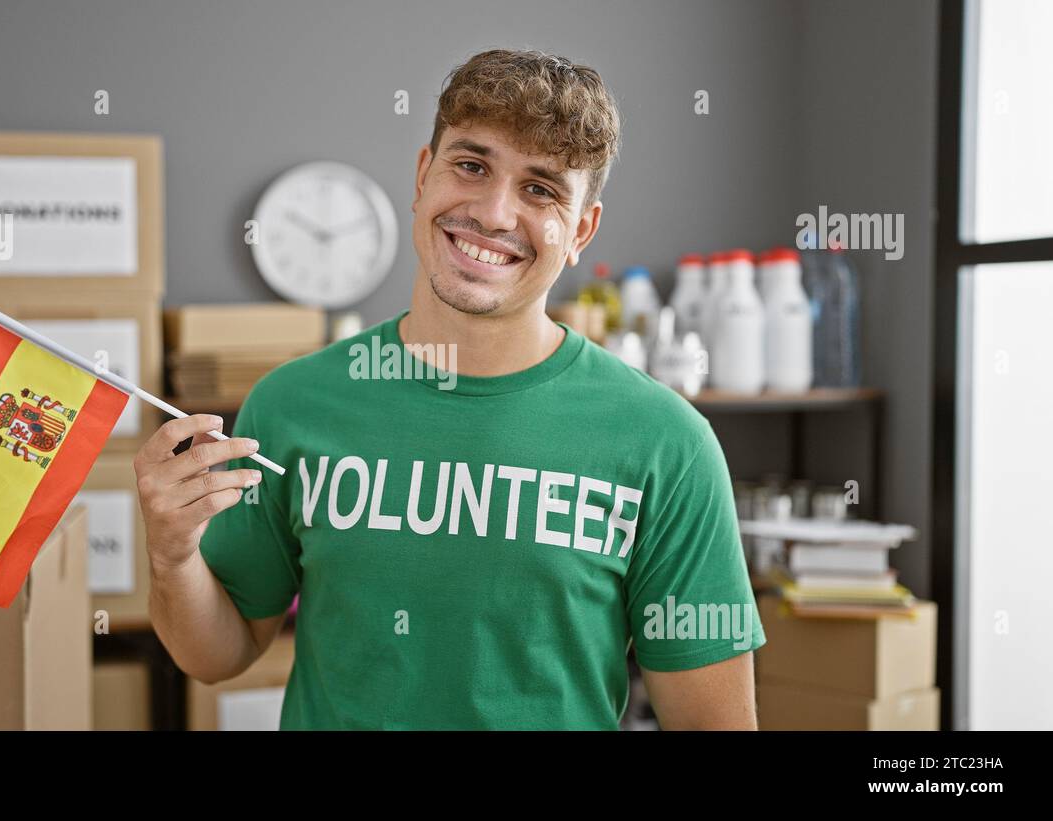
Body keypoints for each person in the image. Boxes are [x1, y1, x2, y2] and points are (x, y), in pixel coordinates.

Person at [135, 48, 765, 730]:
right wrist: (173, 557)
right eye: (472, 166)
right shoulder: (291, 403)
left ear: (581, 229)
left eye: (541, 189)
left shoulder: (667, 443)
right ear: (422, 175)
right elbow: (218, 653)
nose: (493, 214)